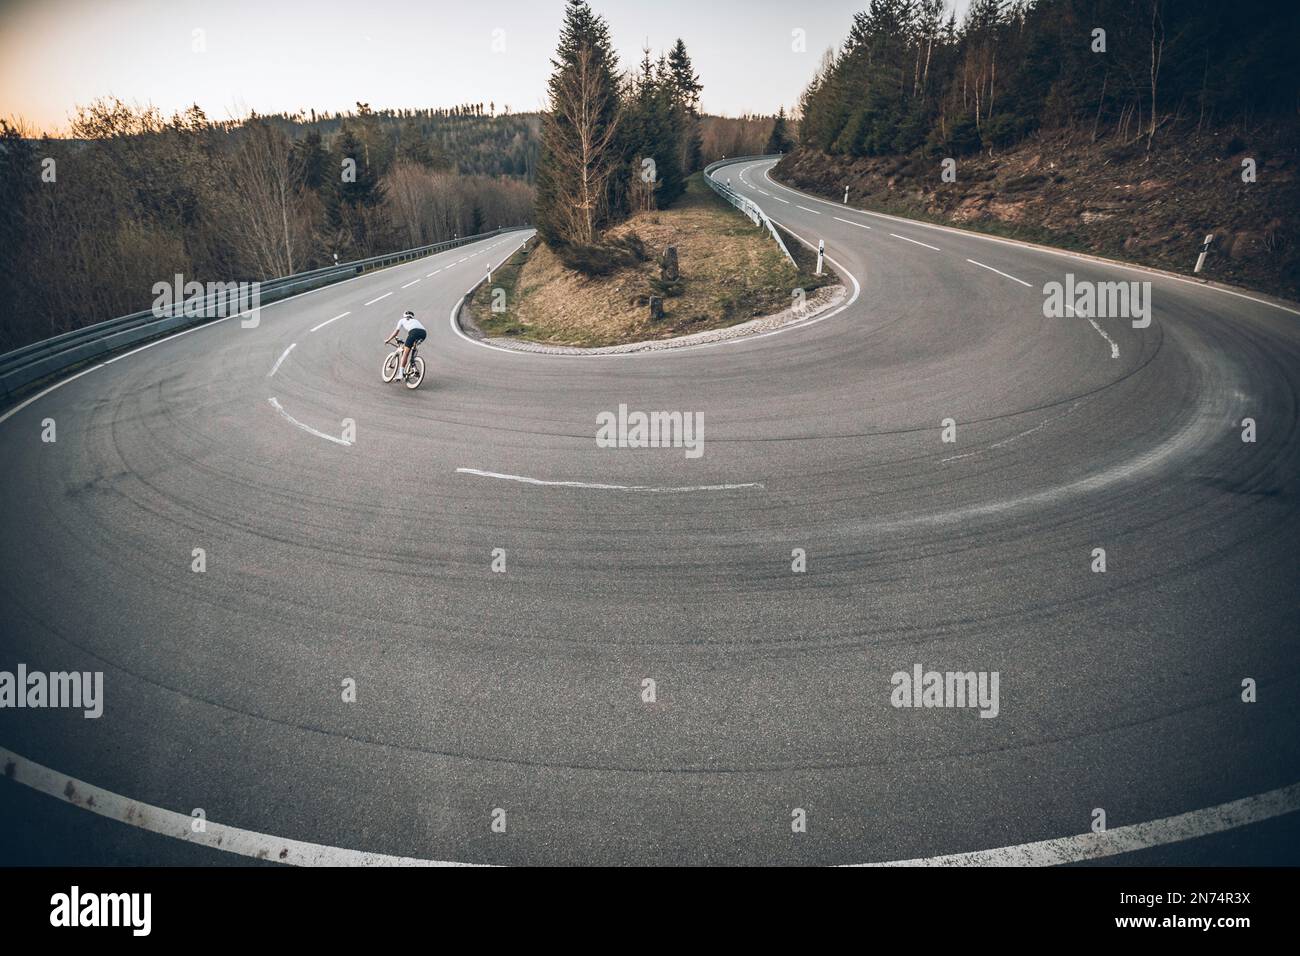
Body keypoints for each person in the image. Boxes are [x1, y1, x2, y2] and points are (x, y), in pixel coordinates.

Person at [386, 310, 426, 378]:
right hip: (423, 333)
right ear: (412, 316)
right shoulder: (415, 321)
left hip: (413, 333)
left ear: (404, 315)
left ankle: (401, 374)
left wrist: (388, 339)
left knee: (405, 353)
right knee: (413, 347)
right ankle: (413, 365)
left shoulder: (402, 320)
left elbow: (396, 332)